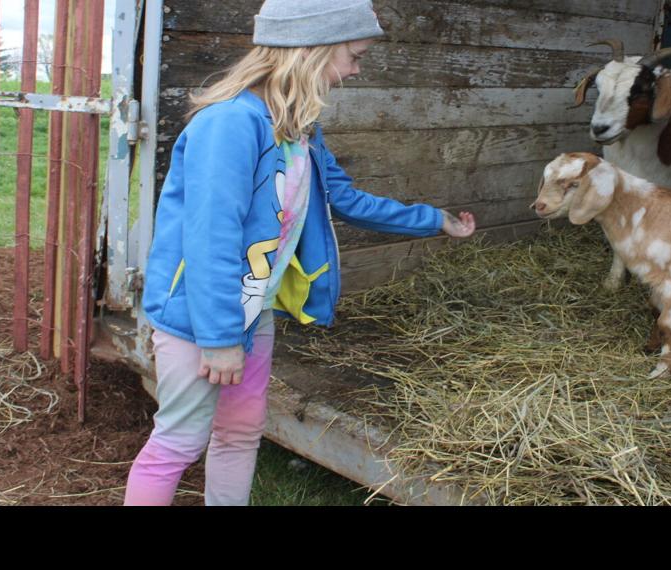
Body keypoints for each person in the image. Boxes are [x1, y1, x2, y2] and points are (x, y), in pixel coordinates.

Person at [124, 0, 475, 506]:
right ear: (310, 50)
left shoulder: (300, 130)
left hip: (252, 313)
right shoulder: (229, 124)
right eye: (353, 56)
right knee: (179, 442)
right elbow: (209, 239)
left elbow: (345, 199)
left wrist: (432, 219)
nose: (356, 70)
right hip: (197, 320)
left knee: (241, 432)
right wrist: (220, 338)